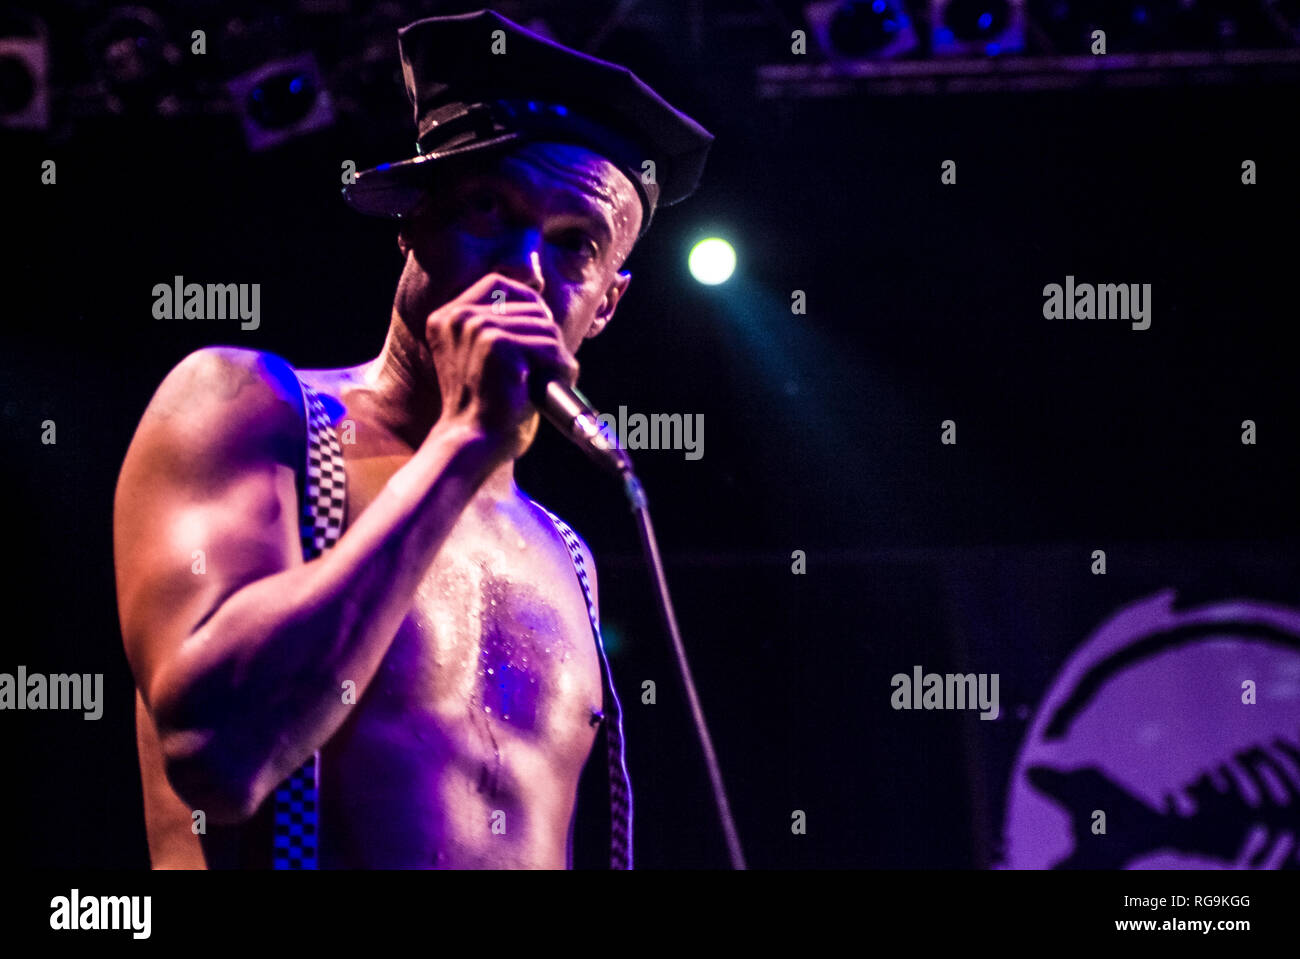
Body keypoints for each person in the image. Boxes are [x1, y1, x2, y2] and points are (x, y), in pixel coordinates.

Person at [112, 9, 712, 869]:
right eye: (486, 206)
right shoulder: (253, 407)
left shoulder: (564, 551)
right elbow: (220, 752)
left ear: (607, 304)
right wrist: (462, 446)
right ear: (412, 220)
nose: (525, 268)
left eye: (574, 245)